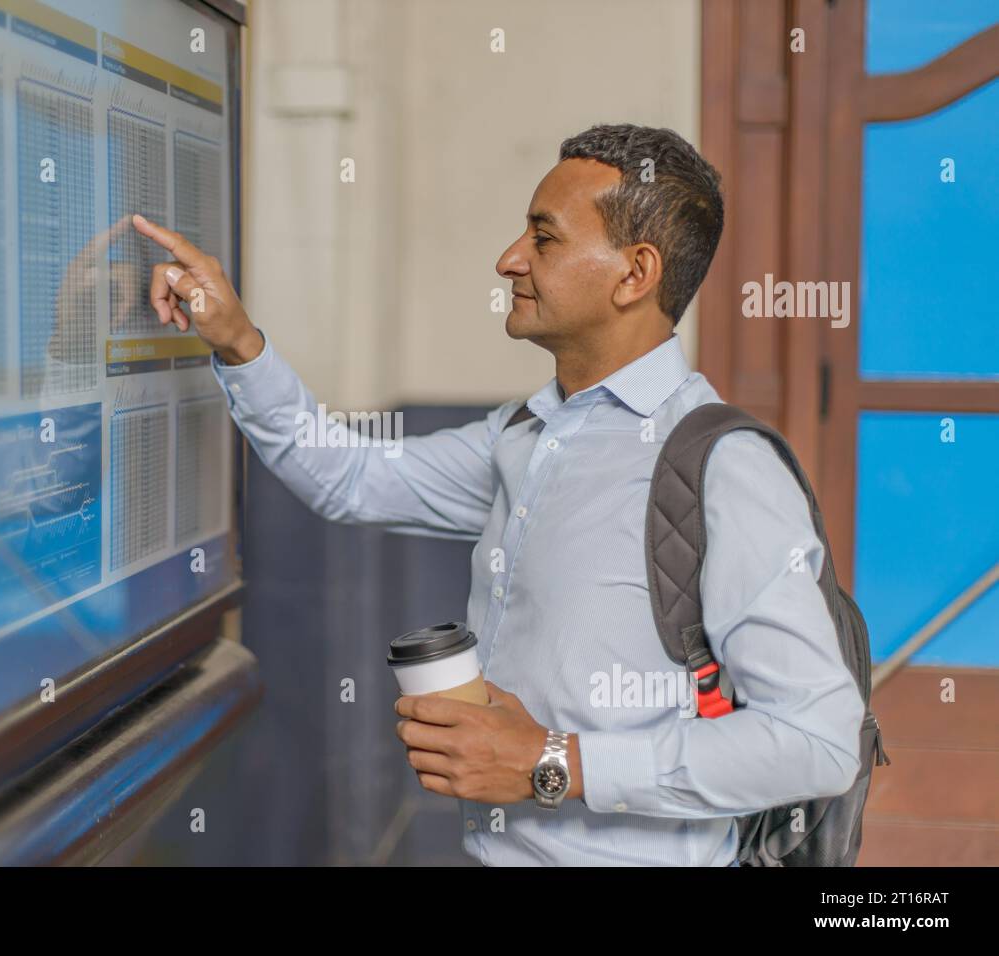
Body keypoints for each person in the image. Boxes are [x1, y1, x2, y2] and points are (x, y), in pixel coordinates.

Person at [132, 123, 864, 867]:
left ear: (634, 274)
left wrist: (553, 763)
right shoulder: (523, 436)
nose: (509, 259)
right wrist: (235, 339)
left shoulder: (724, 470)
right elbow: (349, 477)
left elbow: (818, 740)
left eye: (543, 239)